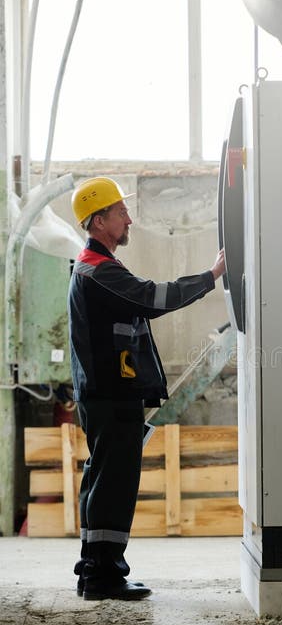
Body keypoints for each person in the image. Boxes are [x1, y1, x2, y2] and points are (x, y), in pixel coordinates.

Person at [68, 176, 225, 601]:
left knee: (105, 480)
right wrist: (211, 276)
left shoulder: (100, 266)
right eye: (121, 213)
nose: (129, 218)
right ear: (99, 221)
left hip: (109, 394)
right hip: (110, 396)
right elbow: (152, 298)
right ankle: (103, 577)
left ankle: (95, 572)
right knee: (113, 483)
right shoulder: (97, 270)